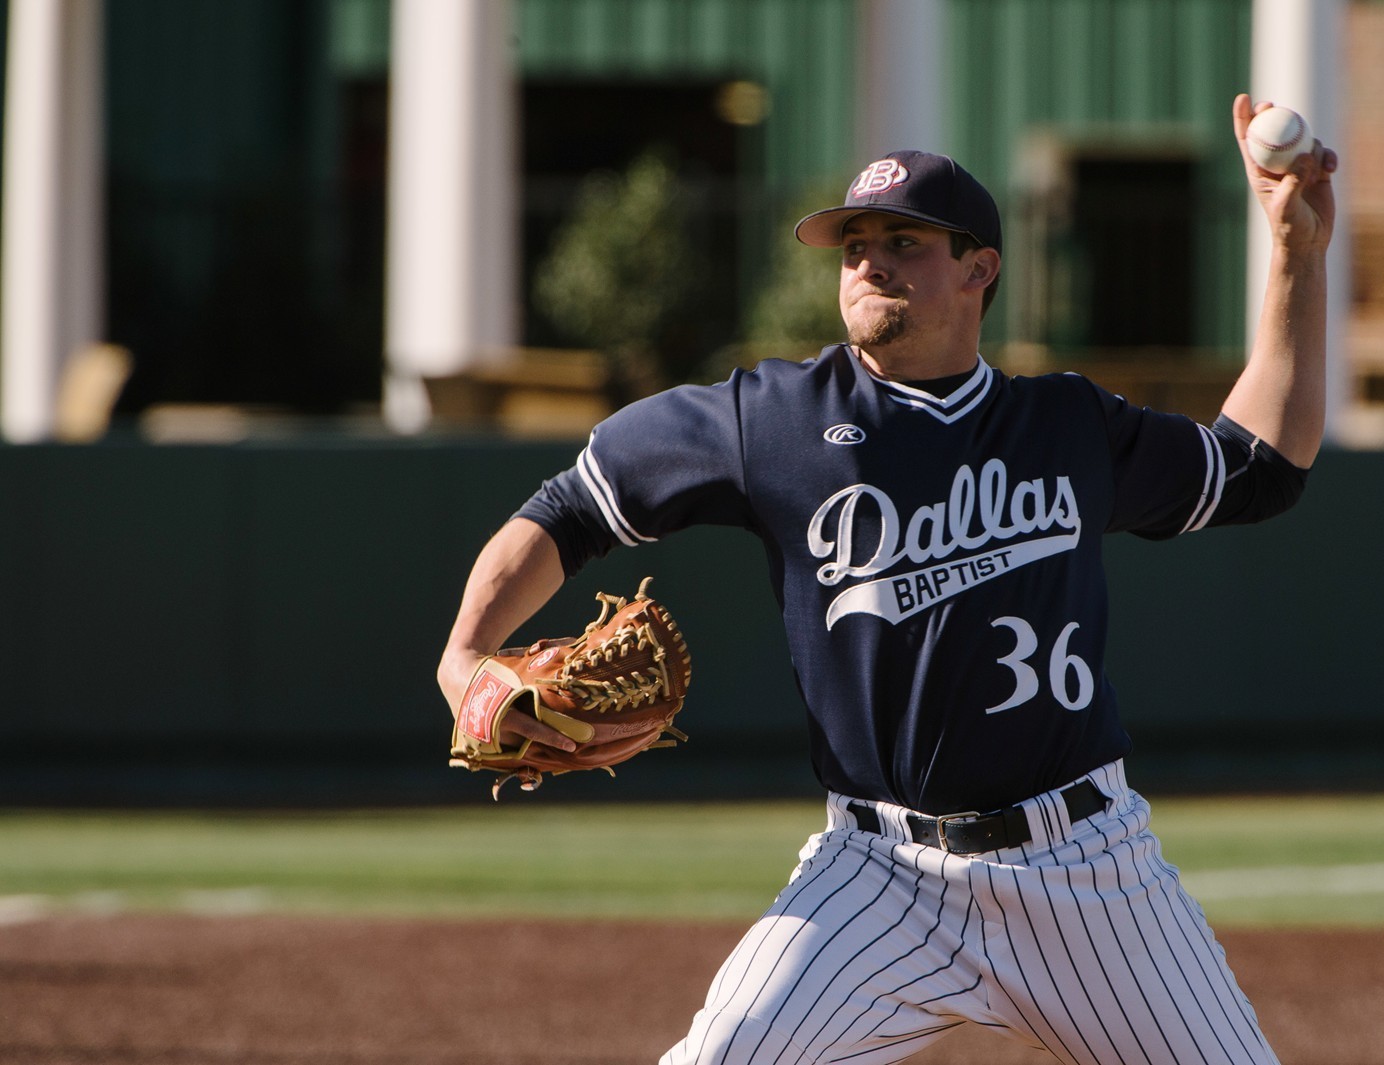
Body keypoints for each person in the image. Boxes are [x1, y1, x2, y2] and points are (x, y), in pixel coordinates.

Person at [438, 94, 1336, 1064]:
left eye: (904, 239)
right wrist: (465, 656)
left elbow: (1260, 466)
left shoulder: (1067, 426)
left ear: (979, 270)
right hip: (876, 873)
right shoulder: (769, 417)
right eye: (852, 241)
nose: (868, 258)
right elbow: (570, 507)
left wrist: (1294, 254)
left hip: (1084, 867)